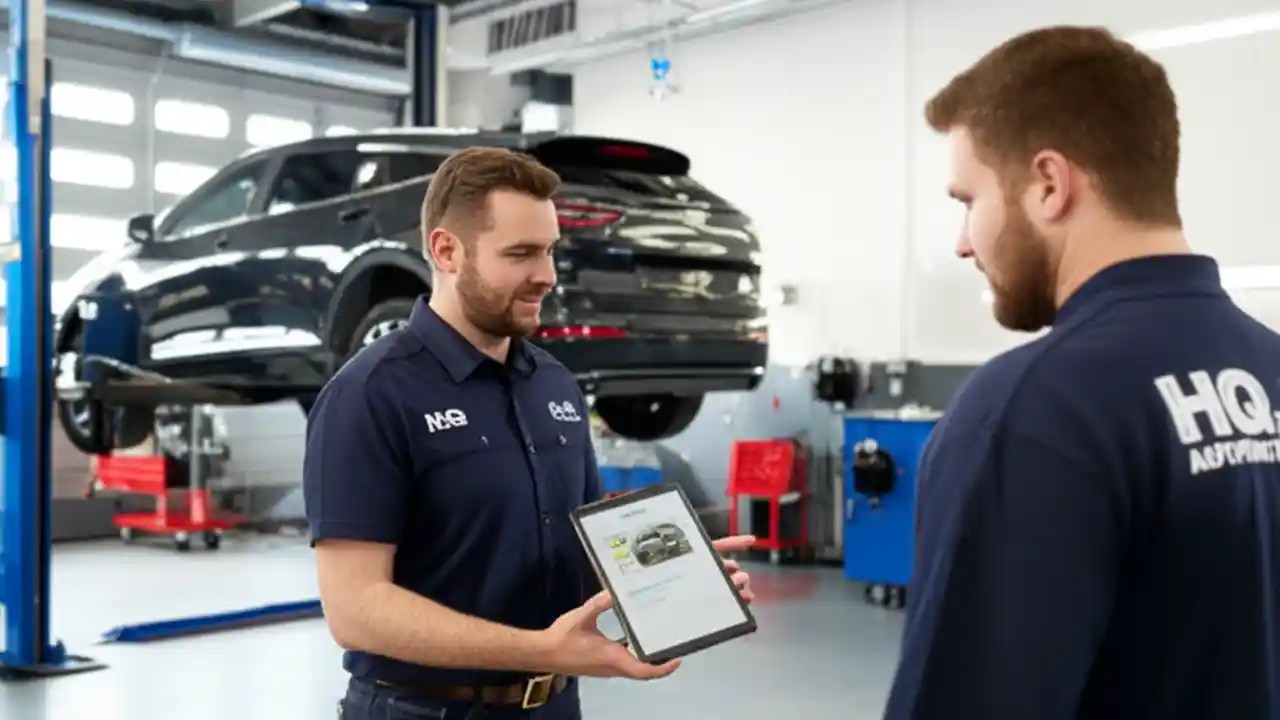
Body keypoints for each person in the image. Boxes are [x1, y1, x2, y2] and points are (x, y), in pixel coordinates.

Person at [884, 25, 1280, 720]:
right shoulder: (1271, 367)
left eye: (967, 201)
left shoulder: (1032, 412)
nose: (960, 243)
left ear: (1047, 184)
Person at [302, 146, 756, 720]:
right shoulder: (369, 396)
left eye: (549, 251)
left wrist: (680, 572)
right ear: (446, 250)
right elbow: (356, 610)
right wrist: (541, 649)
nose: (546, 276)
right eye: (520, 254)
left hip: (553, 708)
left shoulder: (556, 386)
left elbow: (582, 545)